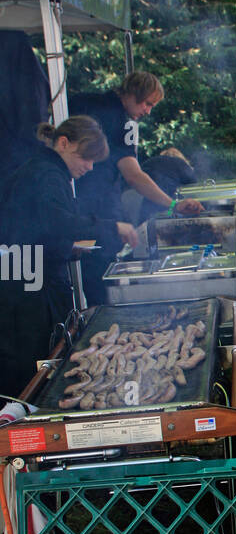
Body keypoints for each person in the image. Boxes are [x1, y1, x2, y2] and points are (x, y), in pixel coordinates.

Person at [0, 117, 137, 397]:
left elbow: (37, 226)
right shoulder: (46, 174)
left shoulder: (41, 169)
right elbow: (58, 222)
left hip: (23, 273)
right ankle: (27, 419)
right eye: (86, 157)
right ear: (64, 143)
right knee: (36, 362)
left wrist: (65, 247)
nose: (89, 166)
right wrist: (112, 226)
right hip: (30, 285)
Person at [70, 71, 203, 220]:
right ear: (132, 93)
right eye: (147, 103)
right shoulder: (125, 124)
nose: (148, 111)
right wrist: (173, 205)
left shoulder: (81, 100)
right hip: (100, 205)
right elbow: (133, 175)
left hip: (69, 196)